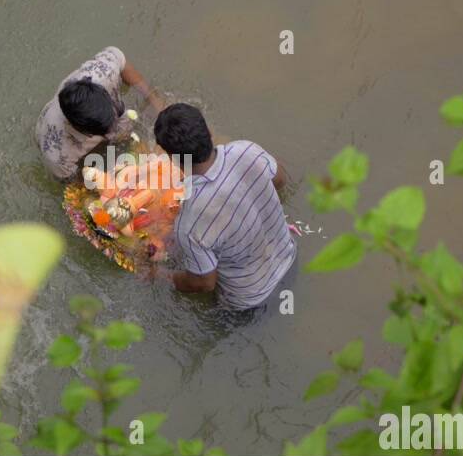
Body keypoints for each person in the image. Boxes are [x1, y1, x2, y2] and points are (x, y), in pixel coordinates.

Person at [151, 103, 296, 310]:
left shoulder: (190, 222)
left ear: (174, 160)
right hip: (289, 261)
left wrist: (160, 275)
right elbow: (280, 181)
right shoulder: (248, 150)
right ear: (209, 131)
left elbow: (204, 283)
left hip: (250, 302)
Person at [36, 47, 164, 180]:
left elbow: (121, 60)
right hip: (66, 138)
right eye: (105, 130)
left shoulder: (102, 73)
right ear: (81, 129)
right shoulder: (58, 155)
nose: (113, 129)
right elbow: (76, 182)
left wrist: (152, 97)